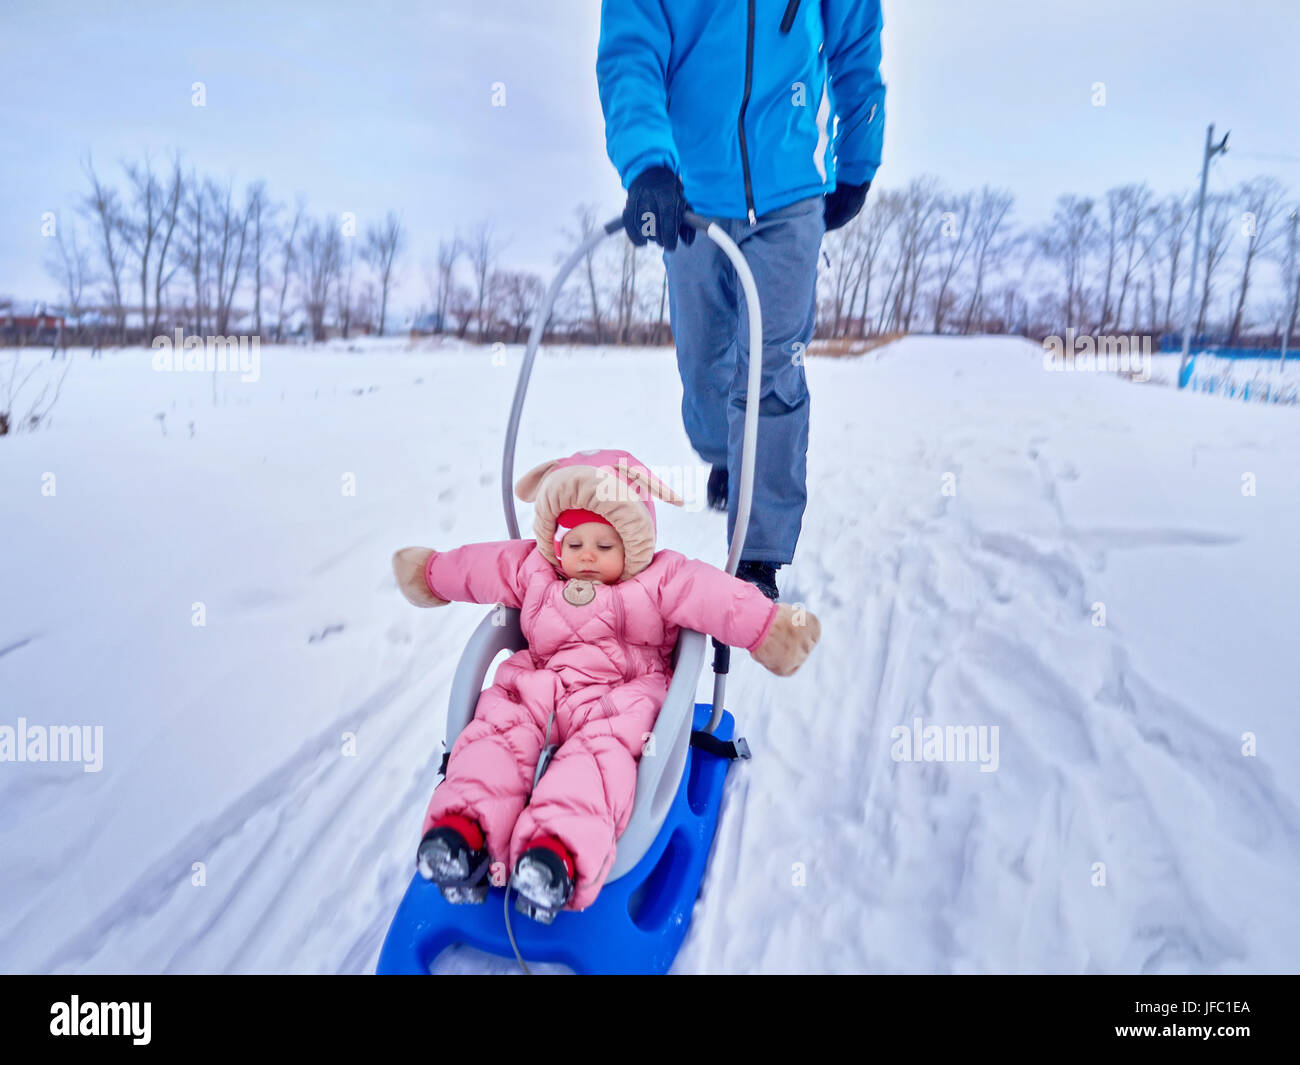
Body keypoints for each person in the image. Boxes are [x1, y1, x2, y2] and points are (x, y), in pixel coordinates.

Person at [392, 448, 821, 922]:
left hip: (621, 698)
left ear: (633, 544)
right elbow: (478, 566)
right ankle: (463, 834)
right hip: (540, 684)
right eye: (574, 545)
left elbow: (717, 597)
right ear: (556, 545)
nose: (587, 557)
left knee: (598, 761)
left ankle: (554, 855)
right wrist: (431, 573)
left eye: (604, 544)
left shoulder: (661, 578)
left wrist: (768, 629)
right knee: (496, 733)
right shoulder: (534, 568)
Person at [596, 0, 886, 601]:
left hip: (791, 192)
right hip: (691, 192)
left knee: (774, 371)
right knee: (704, 362)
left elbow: (854, 46)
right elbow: (631, 54)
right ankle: (722, 450)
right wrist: (648, 162)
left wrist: (856, 158)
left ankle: (757, 555)